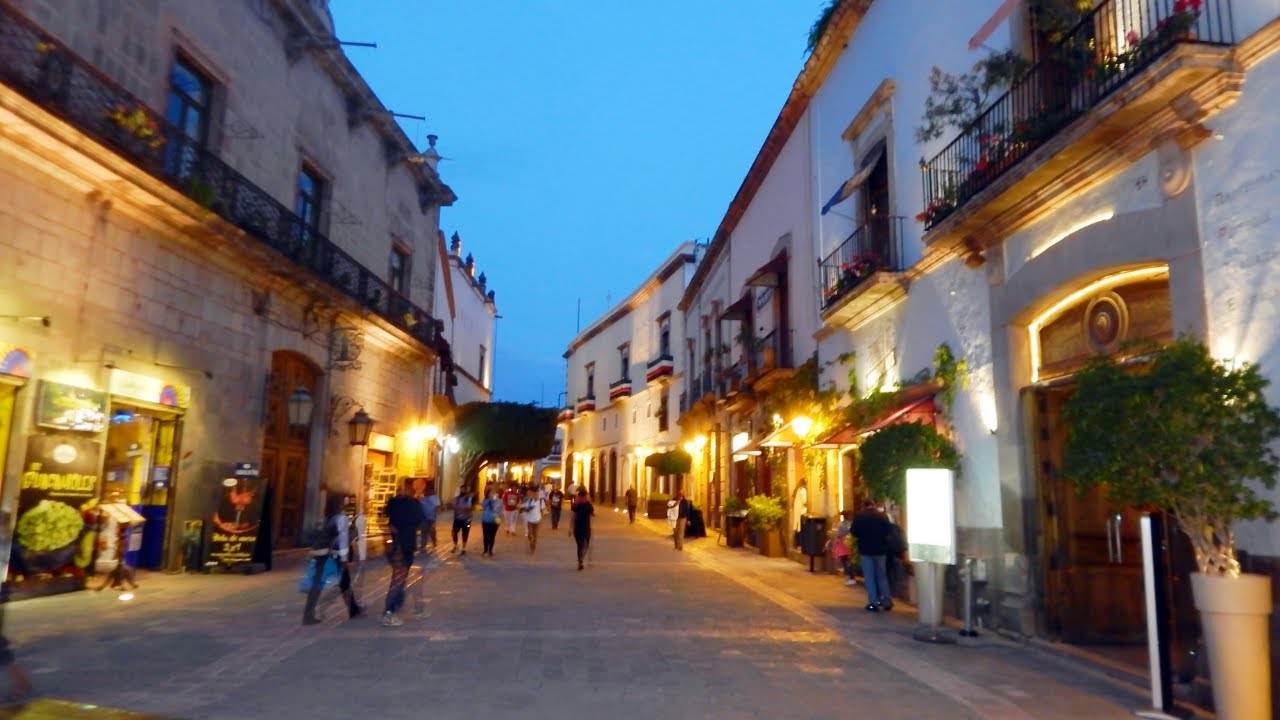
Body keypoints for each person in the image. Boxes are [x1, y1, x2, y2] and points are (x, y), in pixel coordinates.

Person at [303, 494, 364, 626]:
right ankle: (353, 610)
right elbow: (342, 539)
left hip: (322, 553)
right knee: (344, 582)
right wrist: (344, 558)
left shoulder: (325, 517)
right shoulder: (341, 518)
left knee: (318, 583)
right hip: (334, 554)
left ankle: (308, 614)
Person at [382, 479, 425, 627]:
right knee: (399, 579)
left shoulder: (393, 502)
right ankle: (389, 611)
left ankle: (394, 608)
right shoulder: (414, 504)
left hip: (394, 544)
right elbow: (420, 521)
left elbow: (387, 517)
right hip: (406, 544)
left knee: (398, 578)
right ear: (413, 487)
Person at [851, 498, 893, 612]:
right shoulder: (882, 516)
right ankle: (886, 601)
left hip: (866, 550)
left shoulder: (859, 517)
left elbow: (853, 532)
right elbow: (889, 531)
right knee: (882, 576)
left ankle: (873, 602)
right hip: (880, 550)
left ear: (863, 506)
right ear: (873, 505)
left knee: (869, 577)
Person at [569, 488, 594, 571]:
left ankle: (580, 561)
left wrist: (570, 528)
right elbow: (593, 513)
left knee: (579, 546)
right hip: (586, 527)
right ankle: (581, 559)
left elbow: (572, 517)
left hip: (577, 528)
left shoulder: (575, 504)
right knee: (586, 544)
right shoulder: (588, 504)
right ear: (586, 495)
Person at [520, 486, 547, 554]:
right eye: (534, 494)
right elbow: (523, 507)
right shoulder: (529, 501)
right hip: (530, 521)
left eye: (536, 494)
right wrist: (525, 509)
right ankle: (531, 542)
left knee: (535, 535)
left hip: (538, 521)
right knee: (530, 534)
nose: (535, 495)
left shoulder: (541, 501)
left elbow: (543, 510)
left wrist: (542, 516)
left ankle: (533, 547)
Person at [831, 510, 855, 586]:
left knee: (844, 560)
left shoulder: (841, 524)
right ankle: (851, 576)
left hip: (843, 544)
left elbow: (839, 534)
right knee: (849, 560)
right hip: (851, 543)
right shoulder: (852, 523)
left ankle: (850, 576)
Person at [451, 486, 475, 555]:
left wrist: (460, 508)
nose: (462, 491)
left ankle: (464, 548)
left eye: (463, 490)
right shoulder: (457, 498)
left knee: (465, 533)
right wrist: (463, 508)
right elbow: (453, 506)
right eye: (461, 490)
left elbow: (470, 508)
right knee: (454, 532)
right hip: (457, 518)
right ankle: (456, 545)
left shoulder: (468, 499)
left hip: (466, 519)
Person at [480, 487, 501, 557]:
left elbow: (497, 510)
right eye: (490, 493)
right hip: (486, 520)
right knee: (486, 536)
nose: (492, 494)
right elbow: (483, 505)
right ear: (488, 494)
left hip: (494, 520)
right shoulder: (486, 500)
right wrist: (489, 500)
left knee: (492, 536)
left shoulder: (498, 501)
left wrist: (493, 501)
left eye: (494, 493)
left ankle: (490, 550)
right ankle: (485, 550)